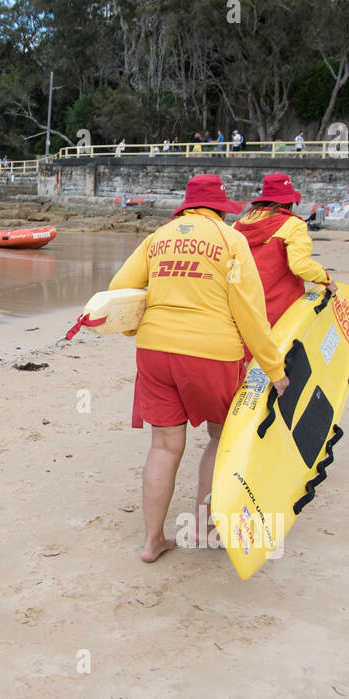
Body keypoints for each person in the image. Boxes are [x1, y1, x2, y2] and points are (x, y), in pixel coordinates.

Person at [108, 174, 289, 563]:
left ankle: (152, 542)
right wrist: (275, 369)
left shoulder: (158, 237)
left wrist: (132, 328)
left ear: (186, 206)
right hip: (212, 353)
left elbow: (119, 289)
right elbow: (251, 313)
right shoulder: (231, 239)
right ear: (220, 209)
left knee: (164, 446)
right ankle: (205, 529)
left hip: (154, 351)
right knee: (222, 436)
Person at [233, 174, 337, 339]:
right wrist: (326, 279)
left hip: (242, 309)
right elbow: (300, 265)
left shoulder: (237, 225)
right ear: (288, 202)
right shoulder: (292, 225)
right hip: (280, 309)